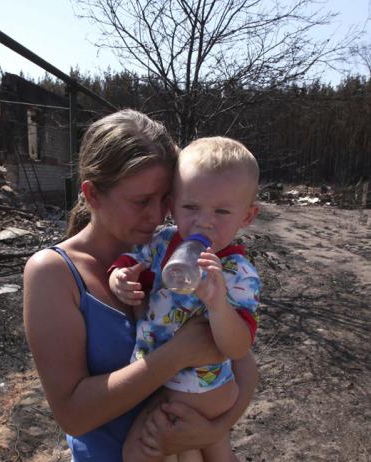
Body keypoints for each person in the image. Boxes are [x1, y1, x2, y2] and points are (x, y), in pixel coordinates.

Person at [23, 110, 258, 461]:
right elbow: (72, 415)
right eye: (141, 201)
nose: (158, 216)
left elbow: (242, 365)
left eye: (167, 200)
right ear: (92, 195)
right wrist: (177, 353)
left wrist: (214, 430)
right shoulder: (55, 273)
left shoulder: (174, 255)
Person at [109, 137, 261, 461]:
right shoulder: (164, 241)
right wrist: (119, 277)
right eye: (191, 207)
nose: (204, 221)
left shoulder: (237, 273)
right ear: (174, 203)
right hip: (167, 382)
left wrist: (218, 304)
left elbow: (238, 348)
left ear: (246, 217)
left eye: (222, 211)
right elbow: (132, 261)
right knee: (206, 453)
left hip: (203, 391)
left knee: (139, 451)